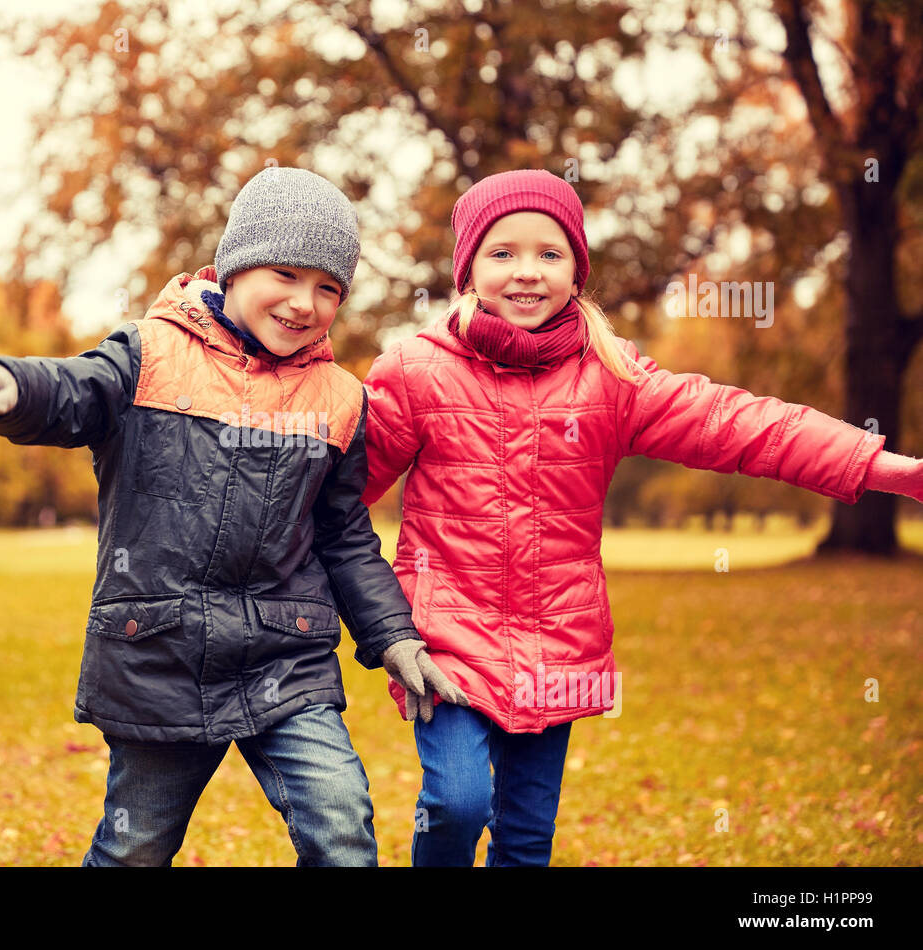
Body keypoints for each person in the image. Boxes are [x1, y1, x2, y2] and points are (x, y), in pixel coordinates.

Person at [361, 168, 923, 867]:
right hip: (446, 644)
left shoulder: (611, 375)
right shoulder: (416, 371)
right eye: (502, 253)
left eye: (549, 253)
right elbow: (338, 494)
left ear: (577, 270)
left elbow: (736, 423)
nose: (527, 272)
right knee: (456, 803)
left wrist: (882, 467)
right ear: (468, 267)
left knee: (528, 838)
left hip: (560, 640)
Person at [0, 166, 464, 866]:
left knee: (343, 829)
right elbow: (74, 390)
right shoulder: (149, 355)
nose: (305, 303)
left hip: (285, 658)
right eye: (286, 275)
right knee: (135, 849)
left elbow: (345, 539)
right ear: (233, 269)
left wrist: (394, 637)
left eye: (328, 288)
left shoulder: (339, 399)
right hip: (160, 654)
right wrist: (11, 384)